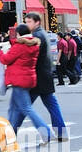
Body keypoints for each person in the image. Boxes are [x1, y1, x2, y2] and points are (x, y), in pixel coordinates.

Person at [0, 25, 51, 143]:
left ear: (19, 34)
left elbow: (5, 59)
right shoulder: (33, 44)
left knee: (26, 108)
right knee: (13, 109)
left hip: (18, 79)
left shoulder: (20, 46)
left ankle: (45, 132)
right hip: (27, 78)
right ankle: (10, 135)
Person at [25, 12, 67, 140]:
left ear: (37, 22)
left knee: (23, 107)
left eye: (29, 22)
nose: (27, 24)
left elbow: (31, 56)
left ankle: (8, 132)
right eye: (26, 22)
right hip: (45, 75)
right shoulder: (42, 34)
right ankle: (61, 132)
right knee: (51, 105)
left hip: (38, 76)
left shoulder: (37, 36)